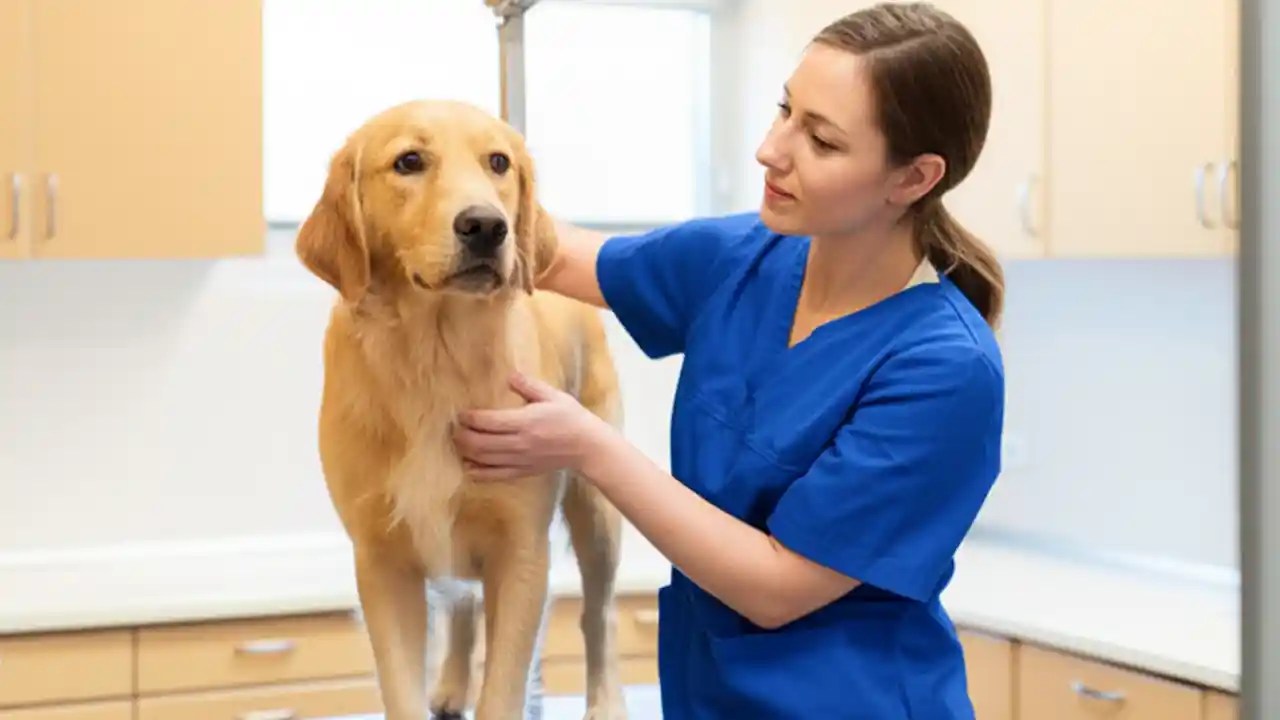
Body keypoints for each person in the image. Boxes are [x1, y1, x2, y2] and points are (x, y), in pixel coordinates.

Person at [453, 2, 1005, 717]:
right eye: (785, 111)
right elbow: (556, 255)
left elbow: (776, 589)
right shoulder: (746, 258)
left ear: (912, 178)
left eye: (822, 140)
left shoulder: (943, 369)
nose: (772, 151)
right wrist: (441, 195)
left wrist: (589, 447)